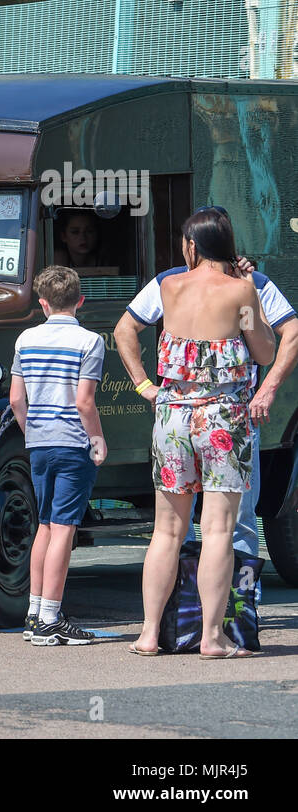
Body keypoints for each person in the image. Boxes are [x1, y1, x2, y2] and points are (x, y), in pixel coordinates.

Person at [115, 206, 298, 607]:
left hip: (175, 414)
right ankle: (220, 616)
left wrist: (146, 385)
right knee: (227, 524)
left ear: (192, 245)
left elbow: (124, 326)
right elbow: (265, 350)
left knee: (175, 527)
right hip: (226, 418)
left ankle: (183, 617)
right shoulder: (243, 287)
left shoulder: (172, 284)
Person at [10, 266, 107, 646]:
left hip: (39, 442)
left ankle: (34, 613)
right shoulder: (89, 341)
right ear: (80, 300)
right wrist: (97, 439)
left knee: (45, 525)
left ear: (43, 303)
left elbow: (17, 399)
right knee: (65, 528)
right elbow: (85, 401)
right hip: (71, 442)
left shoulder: (25, 339)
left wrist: (31, 430)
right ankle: (50, 616)